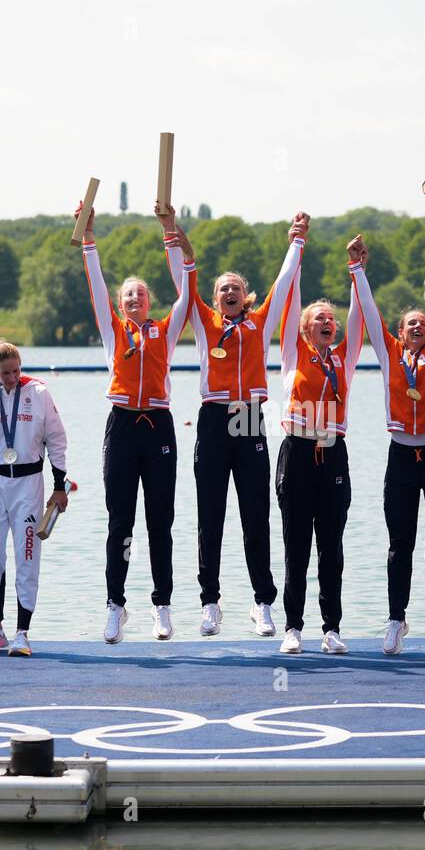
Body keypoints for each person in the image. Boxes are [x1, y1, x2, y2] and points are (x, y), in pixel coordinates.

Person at [158, 205, 308, 639]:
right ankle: (210, 602)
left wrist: (296, 239)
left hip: (248, 418)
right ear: (216, 296)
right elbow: (181, 277)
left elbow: (282, 286)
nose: (228, 293)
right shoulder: (204, 321)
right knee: (211, 514)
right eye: (222, 288)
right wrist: (171, 231)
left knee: (255, 514)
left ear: (246, 296)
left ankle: (263, 602)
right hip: (212, 417)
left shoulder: (260, 323)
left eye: (235, 289)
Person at [79, 201, 194, 642]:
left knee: (160, 521)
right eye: (128, 295)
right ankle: (115, 604)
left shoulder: (165, 330)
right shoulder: (113, 330)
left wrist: (176, 238)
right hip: (123, 427)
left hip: (160, 427)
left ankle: (162, 606)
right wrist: (89, 240)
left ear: (150, 302)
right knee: (119, 521)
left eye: (140, 295)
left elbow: (188, 292)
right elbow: (96, 285)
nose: (133, 300)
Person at [351, 232, 425, 655]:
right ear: (399, 333)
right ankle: (396, 620)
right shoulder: (388, 355)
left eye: (423, 322)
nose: (418, 326)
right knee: (399, 542)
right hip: (401, 455)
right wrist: (357, 270)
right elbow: (367, 311)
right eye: (410, 323)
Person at [273, 235, 366, 654]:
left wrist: (356, 270)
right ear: (304, 328)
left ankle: (332, 629)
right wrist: (299, 246)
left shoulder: (343, 358)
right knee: (297, 546)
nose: (328, 323)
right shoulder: (293, 352)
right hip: (296, 453)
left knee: (332, 546)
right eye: (319, 319)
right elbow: (289, 299)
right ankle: (293, 628)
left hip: (334, 455)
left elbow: (361, 319)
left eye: (331, 318)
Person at [0, 341, 71, 657]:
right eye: (6, 373)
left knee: (27, 556)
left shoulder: (38, 394)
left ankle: (23, 633)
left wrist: (59, 485)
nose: (11, 378)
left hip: (28, 484)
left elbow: (57, 440)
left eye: (16, 371)